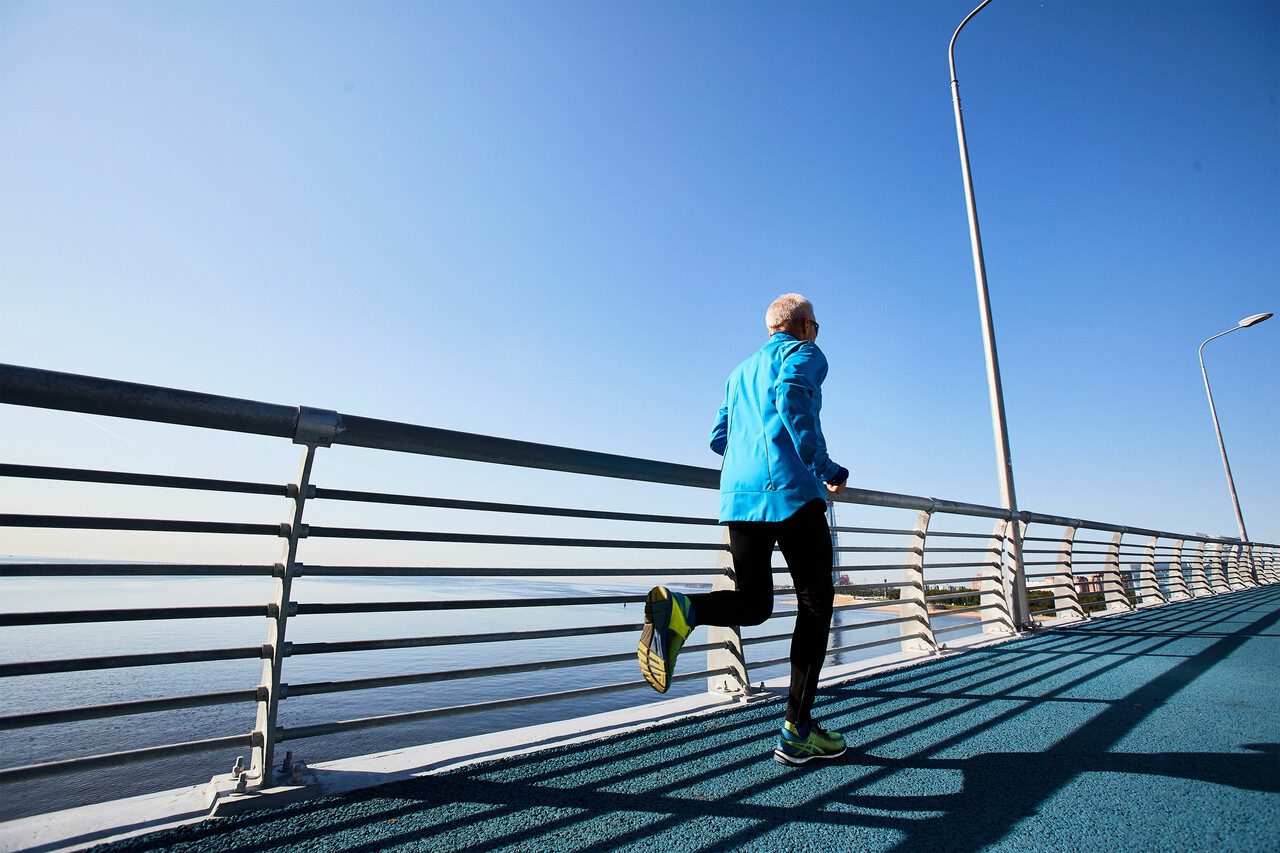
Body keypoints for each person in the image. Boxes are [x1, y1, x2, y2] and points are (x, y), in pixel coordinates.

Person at [638, 293, 849, 766]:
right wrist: (825, 466)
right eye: (815, 324)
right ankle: (797, 729)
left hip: (739, 497)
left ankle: (683, 608)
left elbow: (719, 437)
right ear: (801, 325)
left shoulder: (738, 373)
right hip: (793, 493)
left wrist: (750, 462)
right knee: (816, 604)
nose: (817, 332)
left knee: (754, 604)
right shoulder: (805, 353)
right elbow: (793, 398)